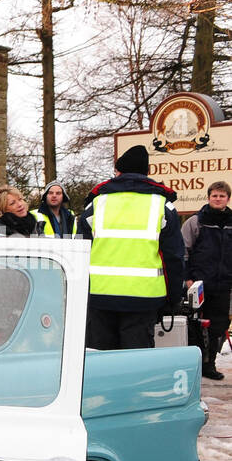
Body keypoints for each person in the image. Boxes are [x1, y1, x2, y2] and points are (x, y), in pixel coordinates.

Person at [80, 145, 185, 351]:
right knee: (136, 365)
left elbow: (80, 252)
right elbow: (173, 258)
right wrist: (173, 298)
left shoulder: (96, 205)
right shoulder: (163, 206)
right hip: (143, 300)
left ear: (118, 172)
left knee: (100, 362)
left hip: (99, 297)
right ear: (146, 173)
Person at [182, 180, 232, 379]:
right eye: (214, 196)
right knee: (196, 326)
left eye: (222, 196)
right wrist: (187, 279)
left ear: (227, 198)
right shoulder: (196, 222)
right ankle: (195, 364)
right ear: (208, 197)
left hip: (224, 284)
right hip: (199, 285)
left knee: (218, 326)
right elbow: (183, 251)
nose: (218, 199)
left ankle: (210, 364)